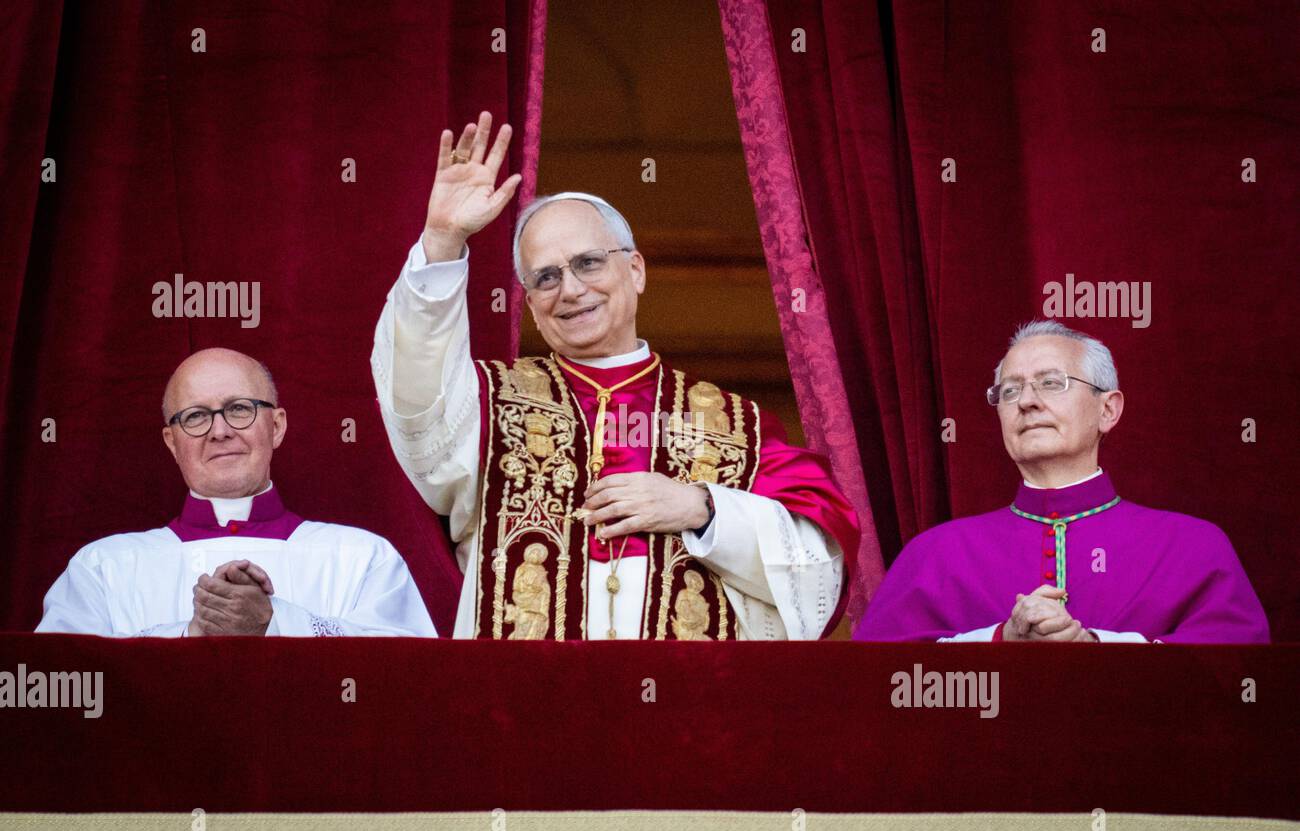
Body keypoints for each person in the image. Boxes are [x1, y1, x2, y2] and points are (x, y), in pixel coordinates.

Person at [372, 111, 860, 640]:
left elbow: (820, 565)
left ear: (636, 270)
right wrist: (442, 242)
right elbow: (416, 396)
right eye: (547, 277)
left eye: (588, 263)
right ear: (531, 304)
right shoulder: (487, 403)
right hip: (520, 708)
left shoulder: (732, 423)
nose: (572, 289)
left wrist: (702, 507)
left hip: (689, 709)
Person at [853, 320, 1268, 643]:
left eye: (1052, 383)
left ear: (1108, 409)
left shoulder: (1193, 547)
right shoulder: (934, 554)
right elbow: (879, 681)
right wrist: (1002, 639)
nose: (1029, 401)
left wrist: (1094, 643)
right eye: (1010, 390)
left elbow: (1234, 674)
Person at [37, 348, 436, 637]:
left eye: (240, 408)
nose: (220, 430)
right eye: (195, 416)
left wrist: (276, 621)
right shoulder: (102, 567)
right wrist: (192, 633)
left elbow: (402, 679)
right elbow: (69, 686)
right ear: (171, 443)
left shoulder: (362, 557)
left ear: (276, 426)